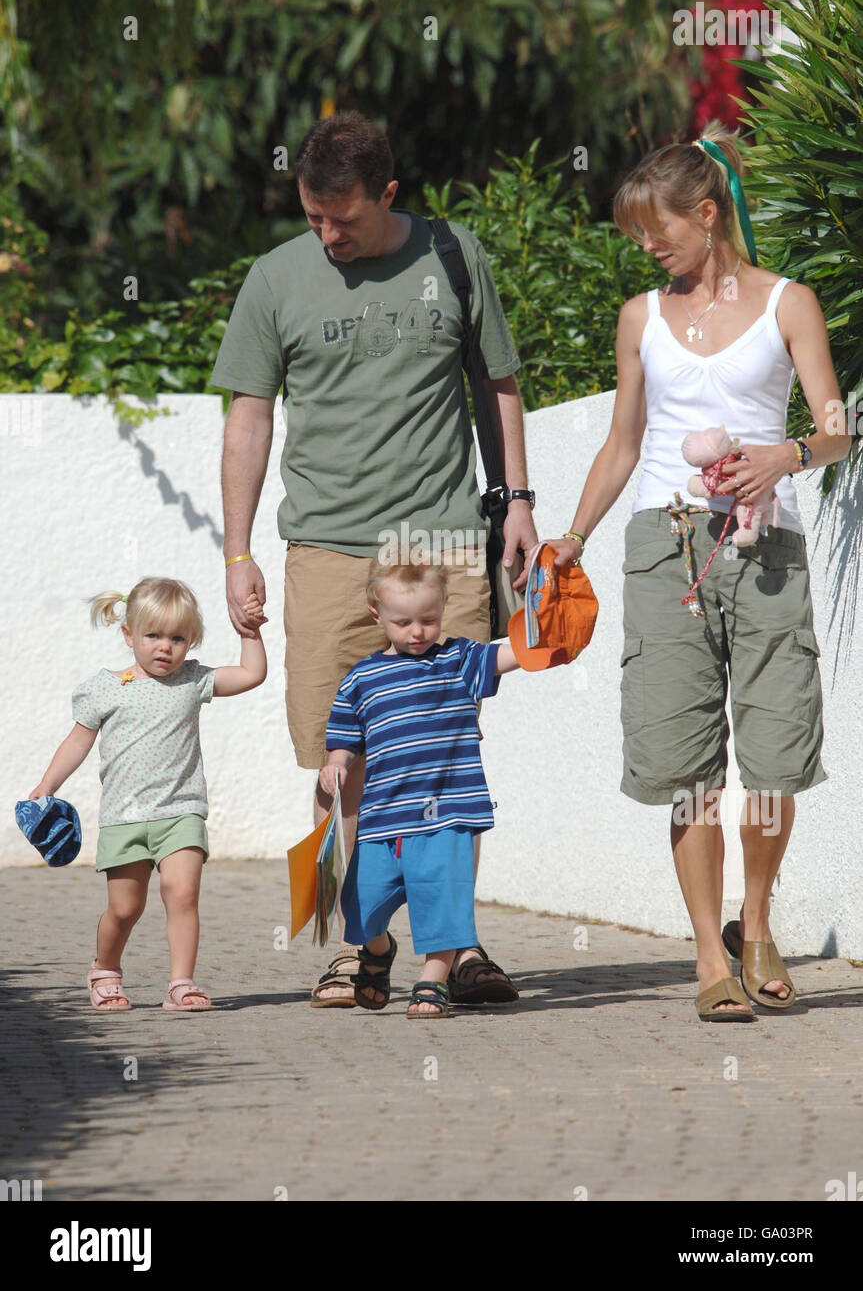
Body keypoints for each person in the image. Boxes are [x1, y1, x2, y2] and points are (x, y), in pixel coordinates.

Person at [209, 110, 537, 1005]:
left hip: (440, 543)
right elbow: (249, 418)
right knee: (337, 760)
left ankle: (453, 948)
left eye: (344, 218)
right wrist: (237, 551)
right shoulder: (275, 277)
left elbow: (495, 383)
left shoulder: (453, 254)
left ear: (387, 193)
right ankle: (362, 946)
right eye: (313, 217)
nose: (328, 235)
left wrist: (515, 501)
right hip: (325, 547)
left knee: (443, 754)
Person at [549, 121, 851, 1022]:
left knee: (775, 756)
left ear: (708, 213)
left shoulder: (788, 302)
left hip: (765, 548)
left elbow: (837, 428)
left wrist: (785, 455)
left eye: (659, 229)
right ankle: (707, 958)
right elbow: (621, 443)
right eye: (637, 234)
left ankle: (753, 924)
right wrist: (570, 537)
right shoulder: (639, 317)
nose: (647, 247)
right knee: (684, 764)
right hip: (663, 546)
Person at [29, 577, 267, 1011]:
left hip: (181, 813)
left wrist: (250, 633)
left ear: (191, 641)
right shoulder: (105, 687)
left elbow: (252, 674)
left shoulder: (192, 680)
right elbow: (77, 741)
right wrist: (47, 785)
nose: (165, 647)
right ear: (128, 635)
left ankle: (181, 983)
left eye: (177, 638)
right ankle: (105, 969)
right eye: (153, 635)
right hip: (124, 817)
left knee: (183, 895)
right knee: (125, 909)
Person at [320, 559, 522, 1017]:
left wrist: (545, 623)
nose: (417, 632)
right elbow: (344, 737)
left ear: (444, 607)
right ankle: (378, 950)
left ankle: (433, 980)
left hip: (448, 814)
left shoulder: (460, 660)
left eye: (429, 619)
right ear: (377, 615)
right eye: (403, 622)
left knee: (443, 902)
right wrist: (336, 765)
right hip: (382, 819)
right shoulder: (361, 678)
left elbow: (513, 654)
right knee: (360, 906)